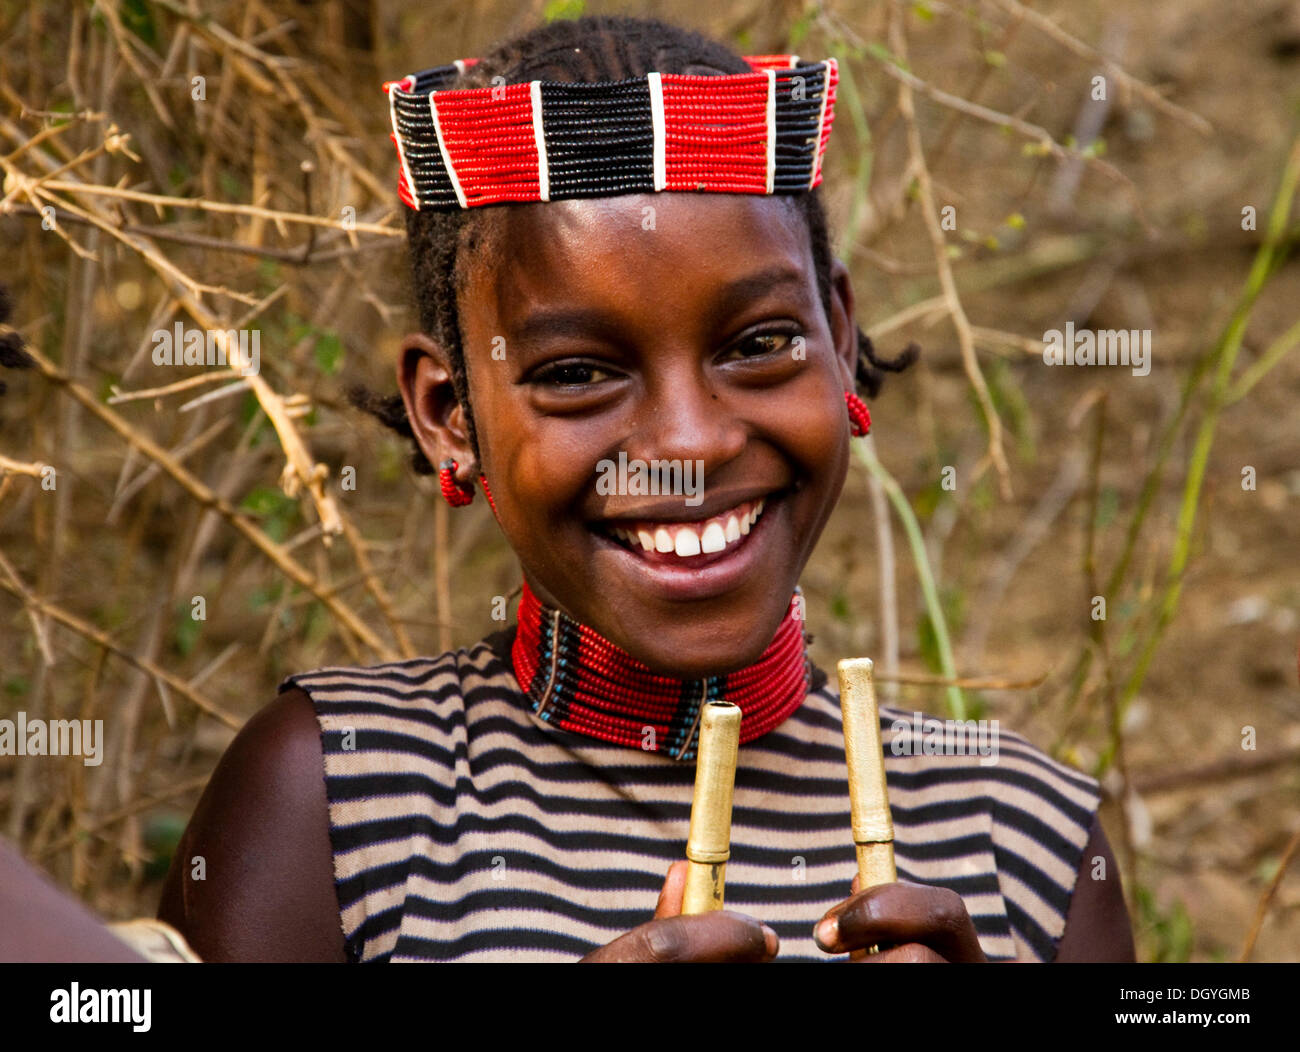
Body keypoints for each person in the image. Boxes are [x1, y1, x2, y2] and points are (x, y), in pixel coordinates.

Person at [158, 14, 1134, 963]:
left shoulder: (1027, 842)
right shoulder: (332, 806)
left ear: (839, 339)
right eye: (578, 372)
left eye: (756, 345)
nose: (689, 442)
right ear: (449, 414)